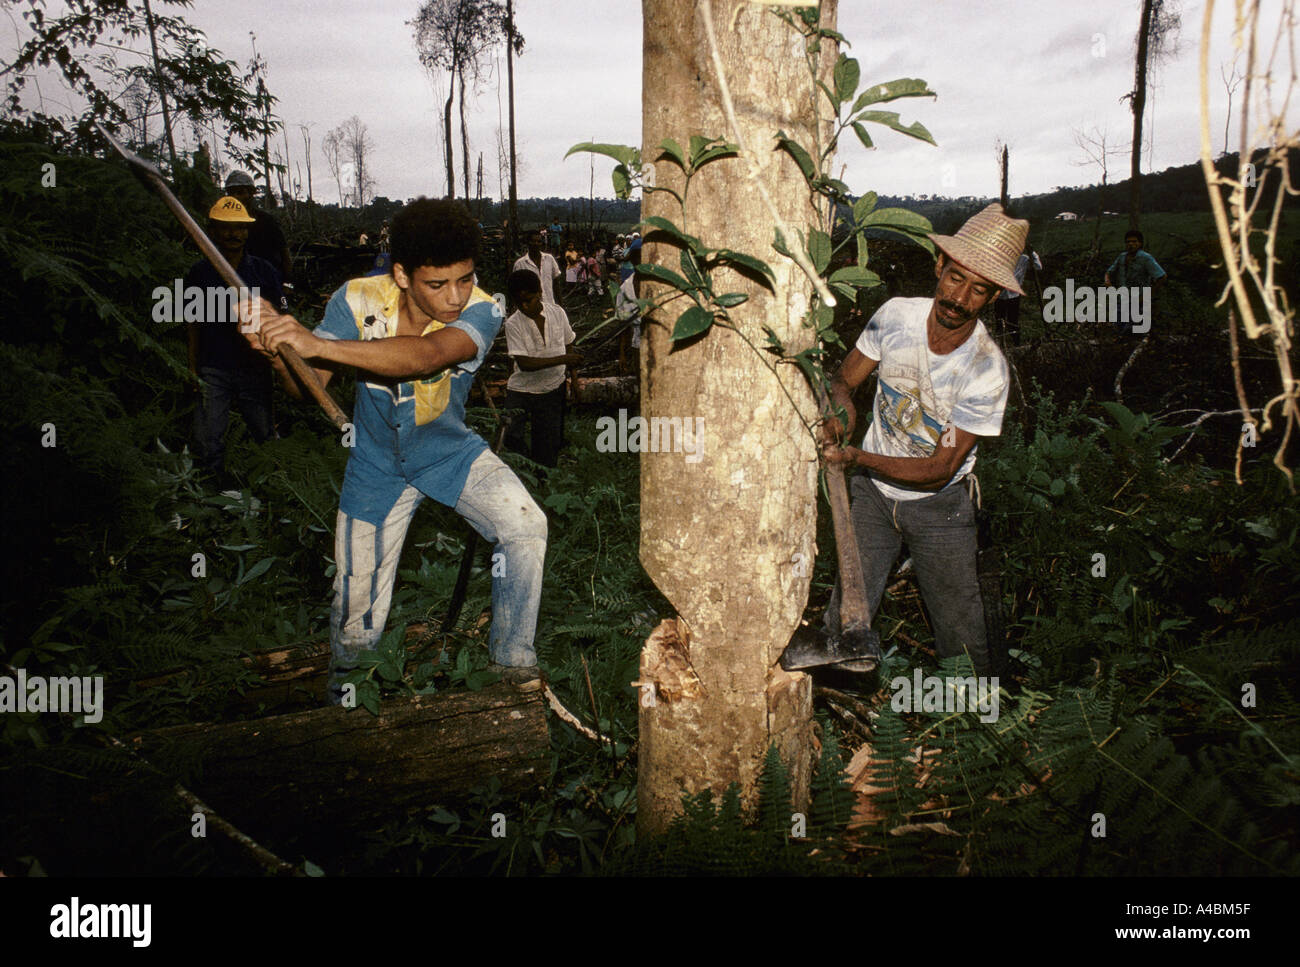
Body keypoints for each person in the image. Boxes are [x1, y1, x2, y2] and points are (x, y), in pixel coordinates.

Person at [245, 198, 548, 700]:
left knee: (525, 525)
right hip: (376, 465)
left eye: (465, 278)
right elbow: (309, 387)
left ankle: (512, 672)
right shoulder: (356, 298)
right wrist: (280, 352)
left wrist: (314, 343)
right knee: (355, 613)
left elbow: (427, 356)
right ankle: (348, 712)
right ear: (403, 275)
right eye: (438, 284)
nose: (455, 296)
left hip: (451, 452)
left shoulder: (486, 308)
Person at [812, 202, 1025, 677]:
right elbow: (845, 381)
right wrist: (842, 417)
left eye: (978, 289)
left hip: (941, 506)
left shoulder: (986, 368)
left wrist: (854, 455)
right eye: (954, 279)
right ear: (938, 266)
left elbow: (939, 468)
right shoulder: (895, 317)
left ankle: (969, 724)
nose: (960, 297)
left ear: (991, 298)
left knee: (959, 627)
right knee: (847, 613)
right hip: (871, 495)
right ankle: (838, 704)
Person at [187, 195, 287, 483]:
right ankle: (211, 492)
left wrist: (281, 361)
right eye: (226, 227)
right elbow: (192, 323)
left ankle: (273, 488)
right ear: (213, 231)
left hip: (254, 367)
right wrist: (192, 368)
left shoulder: (264, 271)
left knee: (264, 434)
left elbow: (282, 316)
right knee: (208, 437)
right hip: (213, 367)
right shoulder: (199, 273)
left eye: (241, 227)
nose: (234, 234)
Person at [503, 269, 582, 472]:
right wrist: (564, 359)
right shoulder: (513, 324)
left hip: (552, 388)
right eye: (519, 302)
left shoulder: (557, 313)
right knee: (511, 438)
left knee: (547, 445)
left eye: (528, 300)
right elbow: (525, 364)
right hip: (521, 391)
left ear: (539, 292)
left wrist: (574, 380)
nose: (524, 306)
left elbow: (568, 343)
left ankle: (543, 480)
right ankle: (520, 474)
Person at [223, 170, 292, 285]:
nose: (245, 196)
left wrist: (288, 284)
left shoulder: (266, 220)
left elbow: (284, 252)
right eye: (238, 192)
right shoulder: (222, 223)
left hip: (267, 282)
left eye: (248, 192)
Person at [1104, 230, 1166, 335]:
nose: (1131, 244)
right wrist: (1108, 283)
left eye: (1134, 241)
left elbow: (1162, 276)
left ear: (1140, 243)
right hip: (1122, 300)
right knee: (1119, 330)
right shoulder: (1122, 257)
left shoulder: (1146, 258)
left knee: (1133, 332)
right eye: (1128, 242)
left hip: (1139, 302)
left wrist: (1147, 295)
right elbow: (1109, 272)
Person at [992, 246, 1041, 346]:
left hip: (1014, 295)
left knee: (1013, 322)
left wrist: (1033, 253)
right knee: (999, 322)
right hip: (999, 296)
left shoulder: (1023, 259)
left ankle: (1016, 345)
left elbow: (1038, 267)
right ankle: (1000, 345)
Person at [513, 230, 562, 306]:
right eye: (533, 241)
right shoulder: (520, 264)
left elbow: (556, 284)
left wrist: (560, 305)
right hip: (530, 309)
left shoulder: (549, 259)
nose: (536, 244)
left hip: (550, 306)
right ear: (528, 243)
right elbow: (517, 290)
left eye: (538, 241)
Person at [616, 239, 642, 376]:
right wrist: (622, 355)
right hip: (638, 345)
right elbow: (623, 326)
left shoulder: (661, 285)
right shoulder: (625, 288)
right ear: (631, 259)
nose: (641, 260)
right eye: (637, 256)